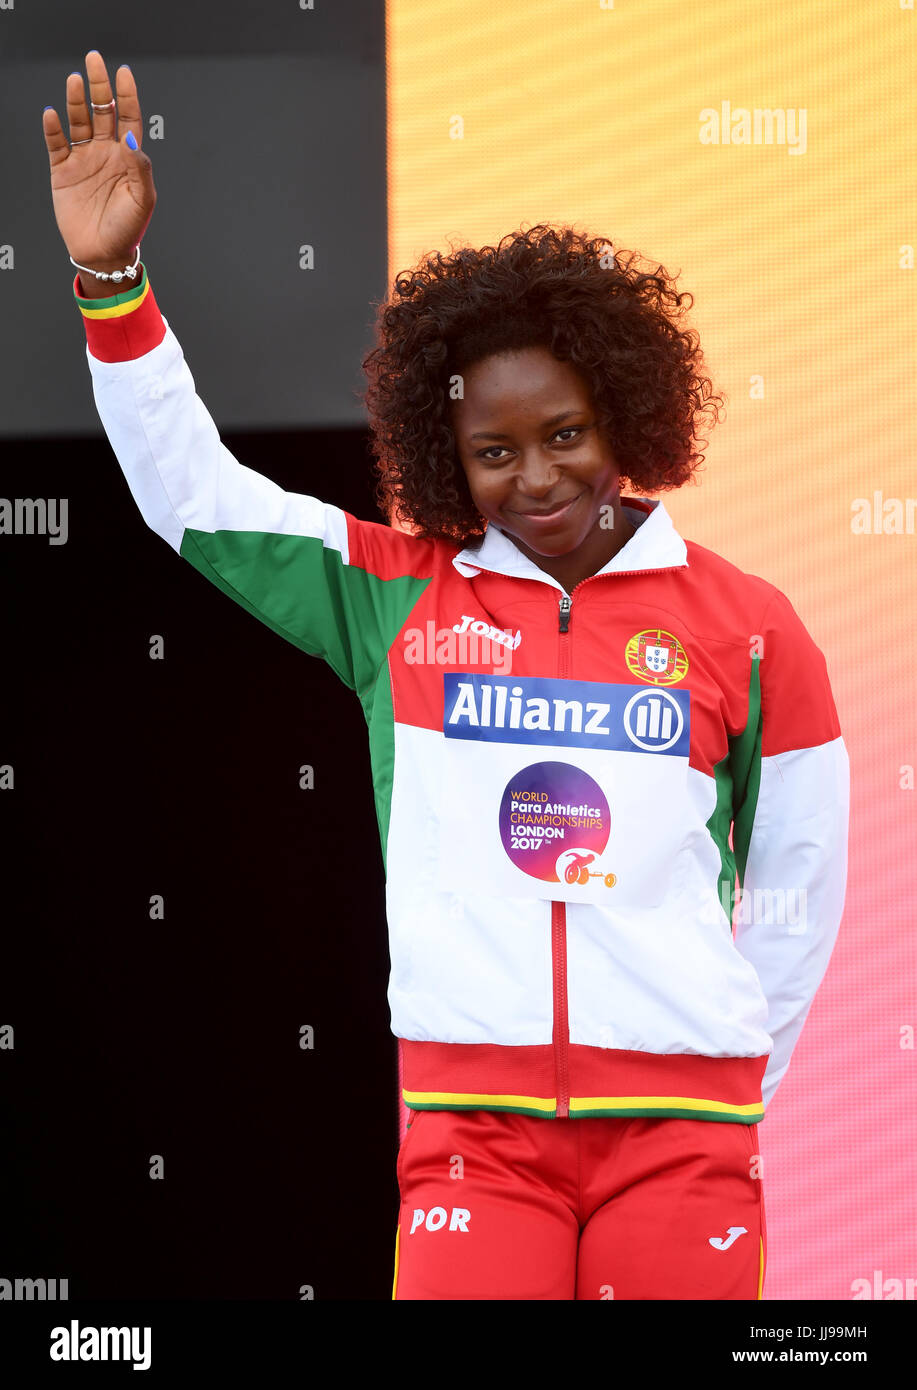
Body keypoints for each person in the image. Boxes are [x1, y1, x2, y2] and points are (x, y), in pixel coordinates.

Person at [43, 51, 850, 1302]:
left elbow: (799, 886)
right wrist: (111, 283)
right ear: (443, 452)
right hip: (471, 1134)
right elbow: (189, 494)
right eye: (491, 450)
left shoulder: (748, 627)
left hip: (685, 1132)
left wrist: (732, 1075)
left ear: (626, 419)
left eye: (565, 435)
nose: (534, 478)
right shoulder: (394, 596)